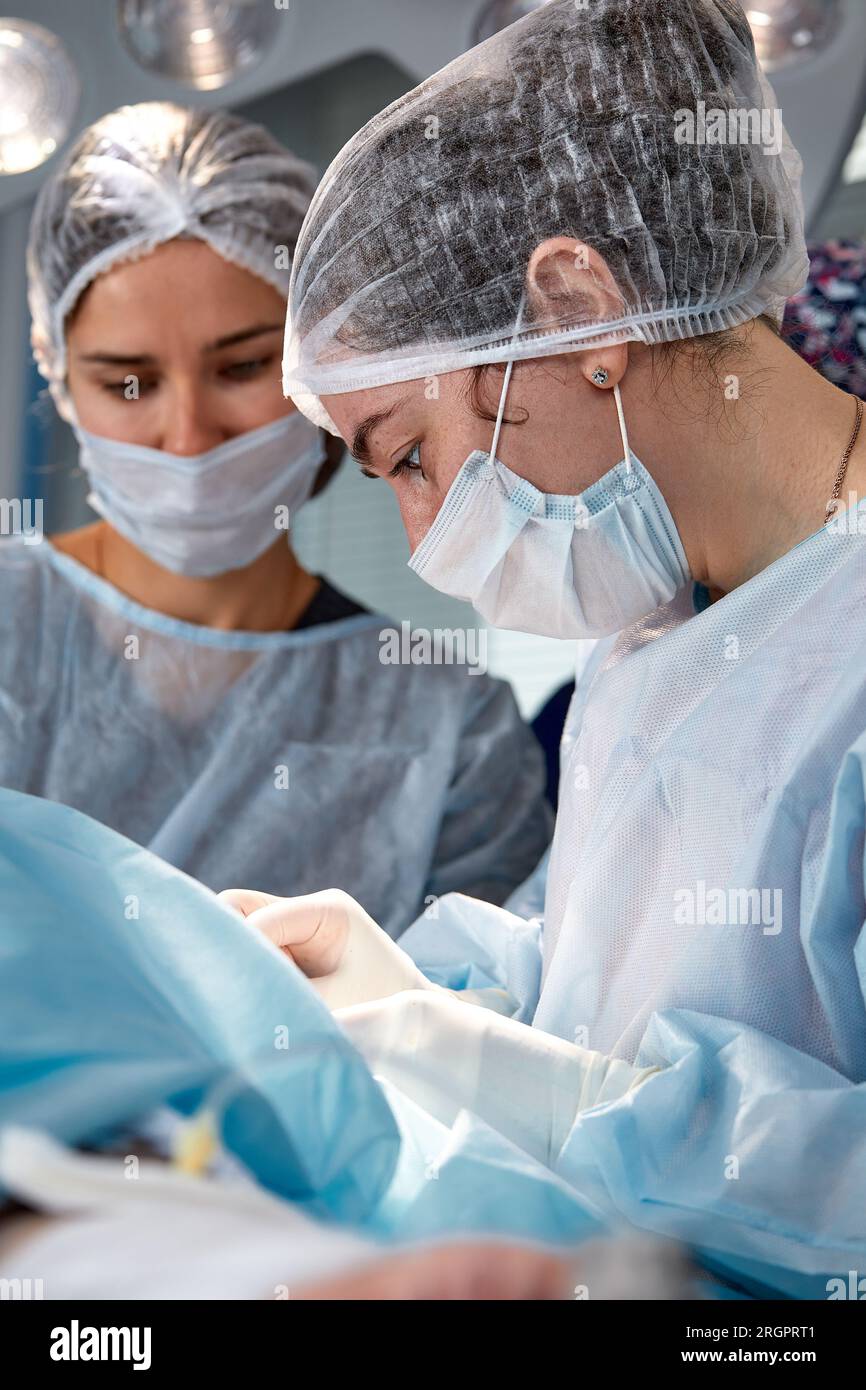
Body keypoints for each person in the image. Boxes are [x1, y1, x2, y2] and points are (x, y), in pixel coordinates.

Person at [252, 0, 866, 1295]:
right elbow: (596, 986)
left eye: (407, 457)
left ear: (580, 312)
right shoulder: (655, 634)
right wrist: (416, 998)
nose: (421, 539)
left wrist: (504, 1077)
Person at [0, 102, 552, 937]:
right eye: (126, 382)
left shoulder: (448, 727)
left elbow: (477, 1034)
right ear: (57, 373)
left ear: (317, 364)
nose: (188, 437)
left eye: (244, 366)